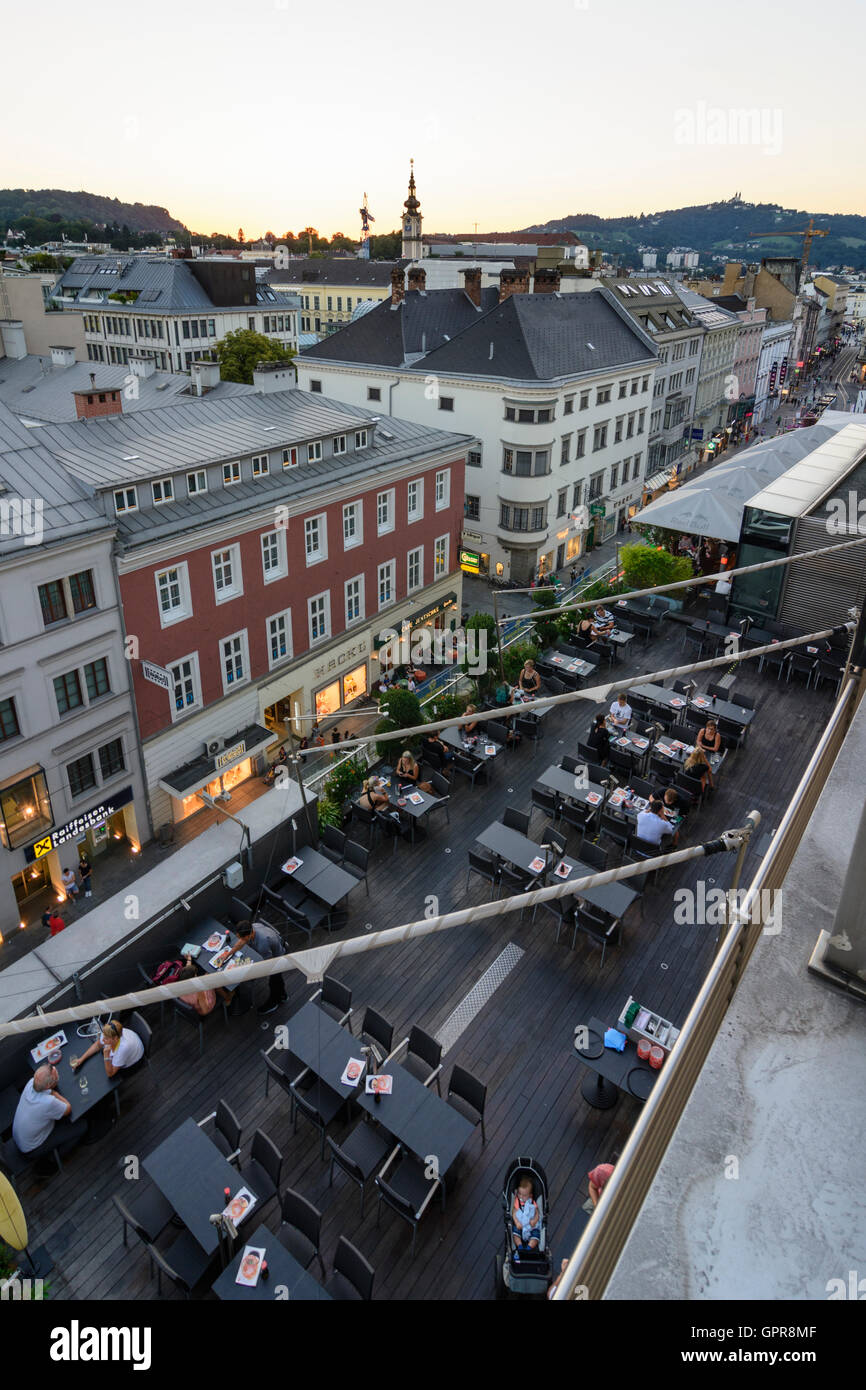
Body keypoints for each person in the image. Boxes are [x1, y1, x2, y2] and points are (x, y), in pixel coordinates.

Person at [12, 1063, 88, 1165]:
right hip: (32, 1148)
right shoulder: (48, 1102)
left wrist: (50, 1091)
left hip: (19, 1137)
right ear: (48, 1086)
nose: (57, 1075)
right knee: (82, 1126)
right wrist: (55, 1093)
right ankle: (54, 1158)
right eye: (56, 1076)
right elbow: (68, 1108)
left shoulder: (30, 1083)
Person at [225, 918, 286, 1015]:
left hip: (276, 960)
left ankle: (274, 1002)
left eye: (243, 938)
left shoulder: (263, 944)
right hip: (271, 951)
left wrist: (246, 968)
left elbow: (267, 963)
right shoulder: (252, 927)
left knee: (274, 981)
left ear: (249, 935)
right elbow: (241, 942)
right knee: (277, 982)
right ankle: (283, 996)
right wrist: (227, 954)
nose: (241, 940)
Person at [71, 1019, 144, 1077]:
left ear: (115, 1038)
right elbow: (98, 1045)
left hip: (135, 1060)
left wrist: (106, 1055)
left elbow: (110, 1074)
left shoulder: (124, 1048)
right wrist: (81, 1059)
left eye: (106, 1038)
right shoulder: (108, 1033)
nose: (102, 1040)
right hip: (131, 1041)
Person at [512, 1175, 540, 1252]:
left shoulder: (532, 1202)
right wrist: (517, 1222)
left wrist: (534, 1220)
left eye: (524, 1195)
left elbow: (537, 1213)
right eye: (519, 1193)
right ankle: (520, 1246)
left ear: (530, 1196)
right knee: (515, 1233)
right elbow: (514, 1212)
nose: (521, 1196)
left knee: (536, 1235)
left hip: (530, 1226)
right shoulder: (517, 1202)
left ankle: (529, 1247)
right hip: (520, 1225)